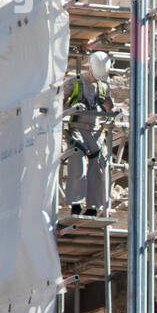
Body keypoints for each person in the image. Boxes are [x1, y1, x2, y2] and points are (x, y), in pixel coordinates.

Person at [64, 51, 115, 216]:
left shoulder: (103, 86)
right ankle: (76, 204)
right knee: (77, 159)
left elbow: (109, 109)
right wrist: (72, 108)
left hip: (95, 131)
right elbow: (59, 106)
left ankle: (94, 206)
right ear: (89, 67)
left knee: (99, 163)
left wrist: (109, 107)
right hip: (77, 128)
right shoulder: (75, 83)